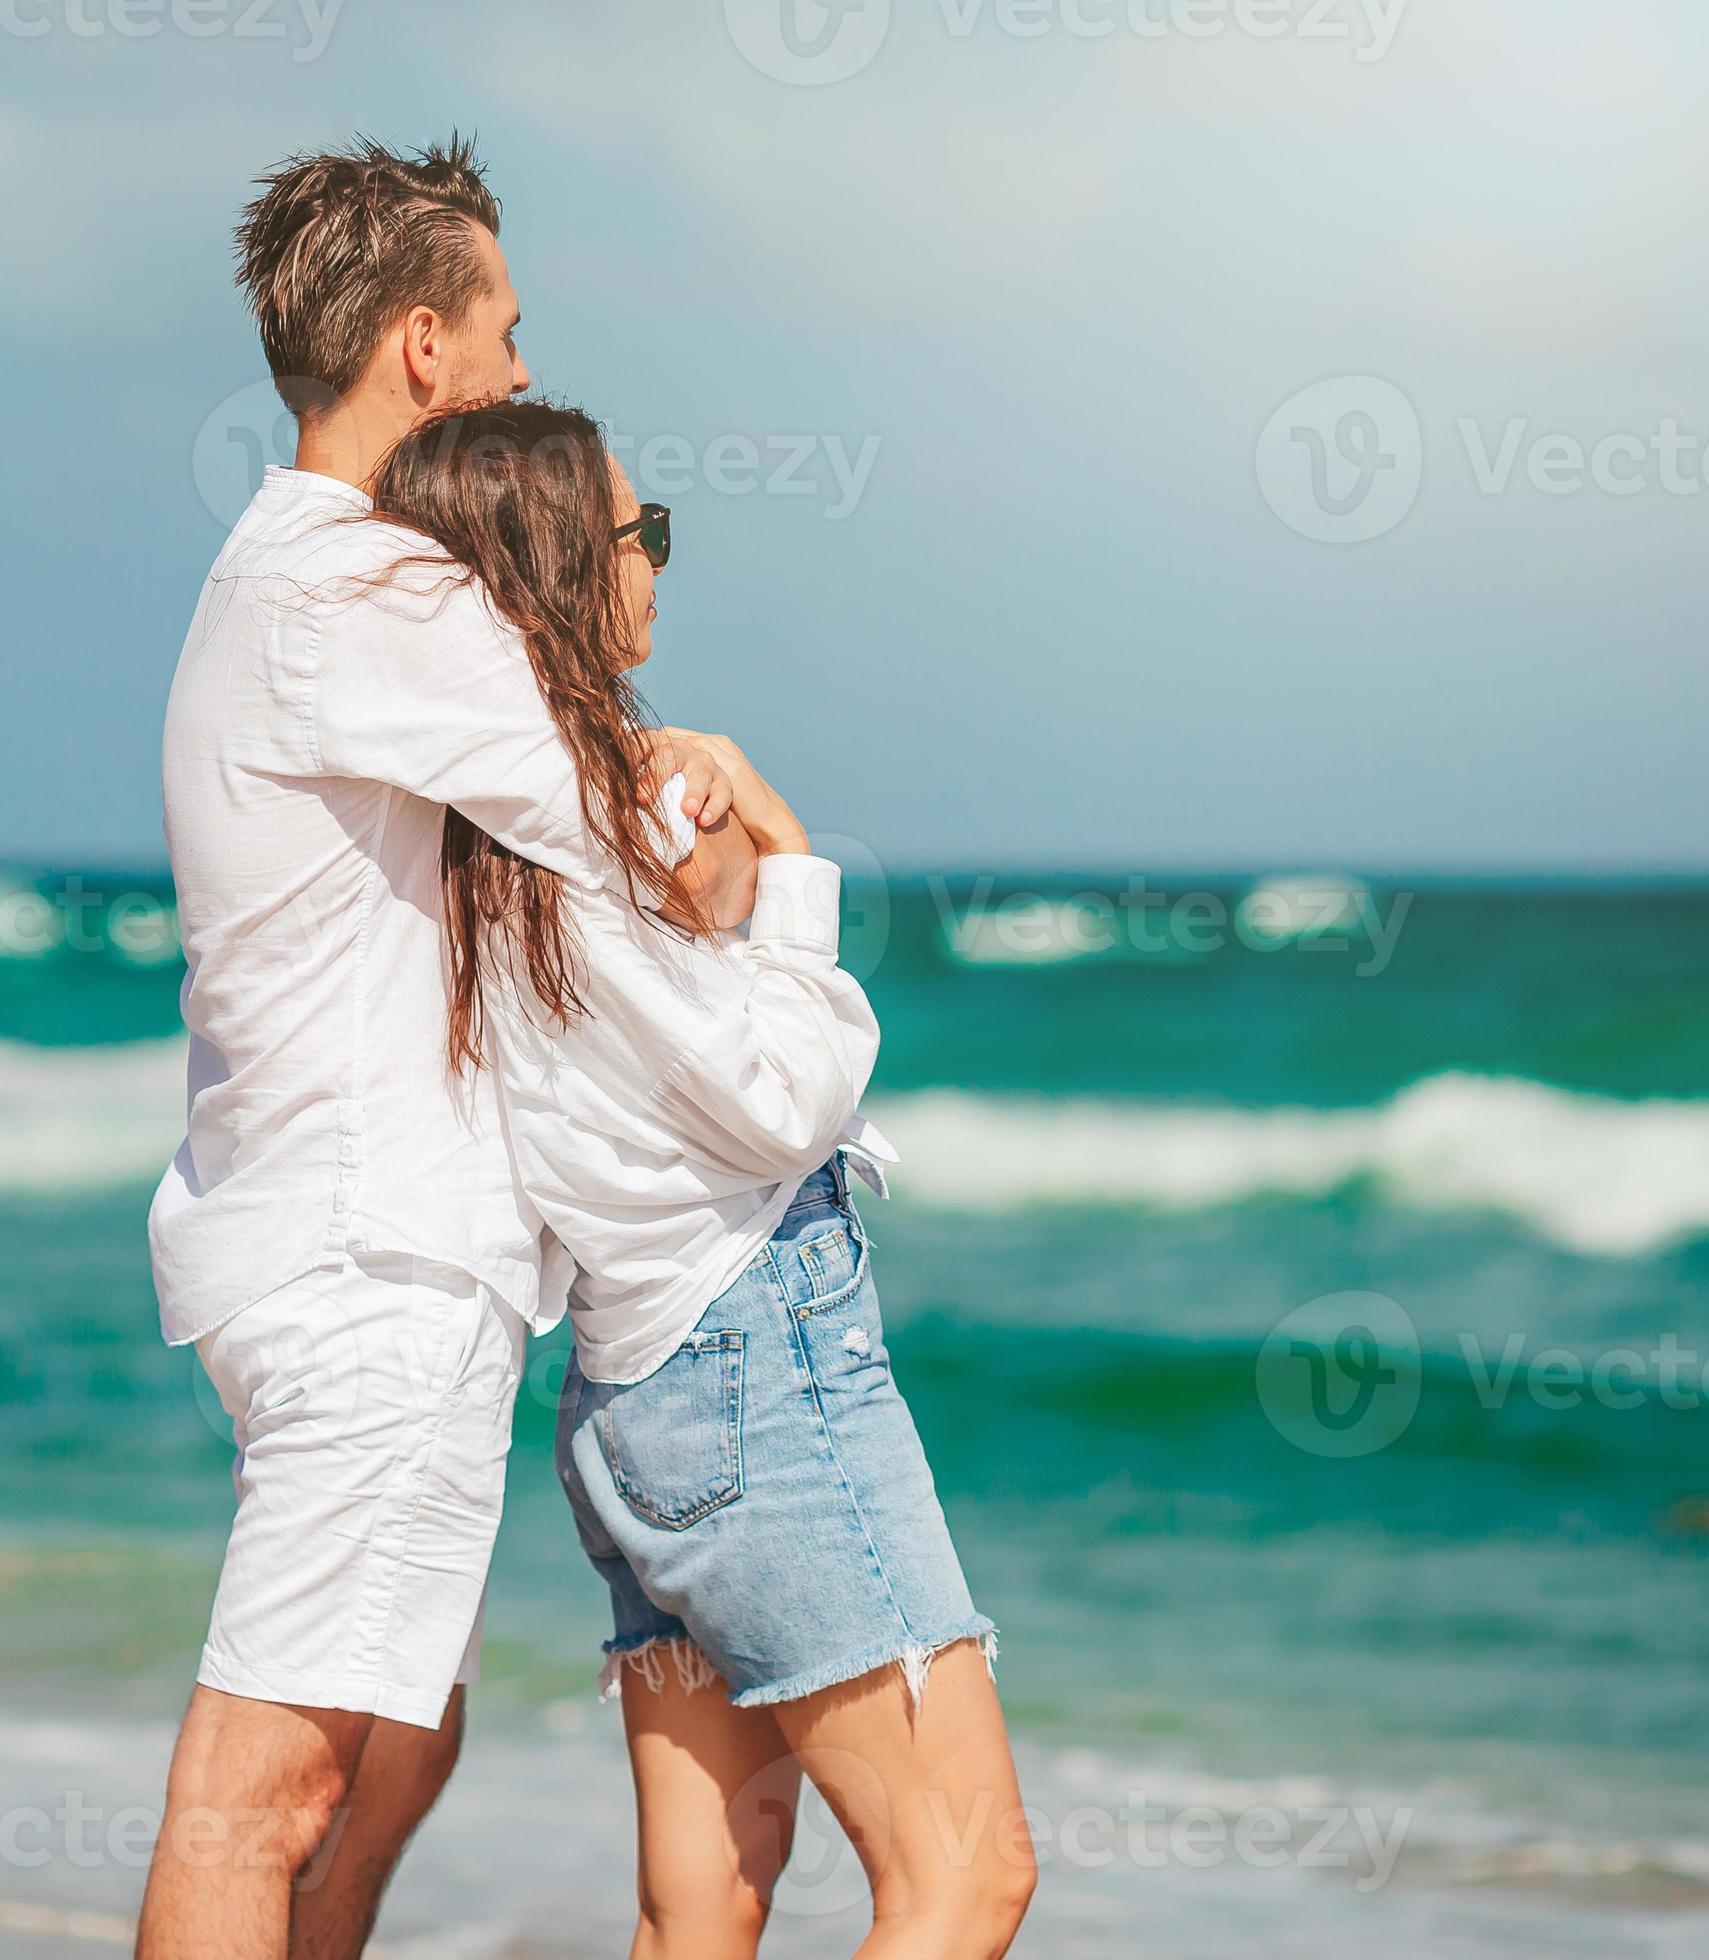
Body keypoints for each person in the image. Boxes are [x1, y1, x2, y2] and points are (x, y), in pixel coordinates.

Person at [138, 139, 738, 1959]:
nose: (521, 383)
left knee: (398, 1739)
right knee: (277, 1779)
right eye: (505, 338)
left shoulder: (300, 583)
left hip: (340, 1241)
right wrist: (732, 821)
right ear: (421, 347)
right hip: (365, 1259)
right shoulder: (367, 596)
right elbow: (630, 840)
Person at [372, 398, 1040, 1960]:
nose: (660, 566)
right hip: (757, 1369)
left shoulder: (470, 840)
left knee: (702, 1906)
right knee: (963, 1876)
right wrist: (793, 867)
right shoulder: (584, 841)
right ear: (556, 572)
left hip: (632, 1396)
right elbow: (783, 1101)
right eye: (637, 535)